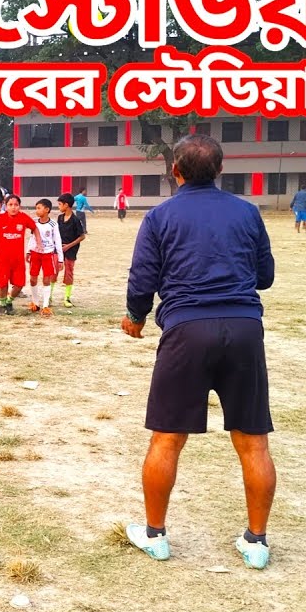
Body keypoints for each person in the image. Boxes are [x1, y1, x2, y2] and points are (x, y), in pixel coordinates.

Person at [121, 135, 276, 570]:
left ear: (176, 170)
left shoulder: (160, 216)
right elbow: (264, 276)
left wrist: (135, 315)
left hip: (187, 329)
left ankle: (155, 536)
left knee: (167, 437)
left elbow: (143, 276)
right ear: (221, 170)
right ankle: (257, 542)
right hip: (245, 329)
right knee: (253, 441)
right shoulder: (247, 212)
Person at [0, 195, 40, 315]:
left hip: (18, 260)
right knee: (2, 284)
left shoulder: (23, 218)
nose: (13, 207)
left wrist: (39, 242)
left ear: (20, 206)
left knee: (19, 284)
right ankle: (2, 305)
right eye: (10, 205)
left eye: (16, 205)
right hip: (3, 259)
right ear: (6, 206)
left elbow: (35, 228)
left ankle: (9, 300)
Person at [26, 198, 64, 317]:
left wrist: (60, 259)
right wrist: (28, 251)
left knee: (46, 279)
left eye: (39, 208)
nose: (36, 210)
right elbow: (32, 238)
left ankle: (46, 306)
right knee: (33, 278)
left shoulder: (53, 225)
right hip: (35, 253)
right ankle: (35, 302)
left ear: (47, 210)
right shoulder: (34, 222)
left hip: (48, 254)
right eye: (36, 208)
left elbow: (58, 241)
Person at [55, 194, 88, 308]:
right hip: (58, 249)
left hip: (70, 250)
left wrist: (69, 246)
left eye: (60, 204)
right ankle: (49, 295)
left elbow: (82, 236)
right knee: (54, 271)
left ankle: (67, 297)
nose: (58, 206)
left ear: (66, 205)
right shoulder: (59, 218)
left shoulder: (75, 220)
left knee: (68, 273)